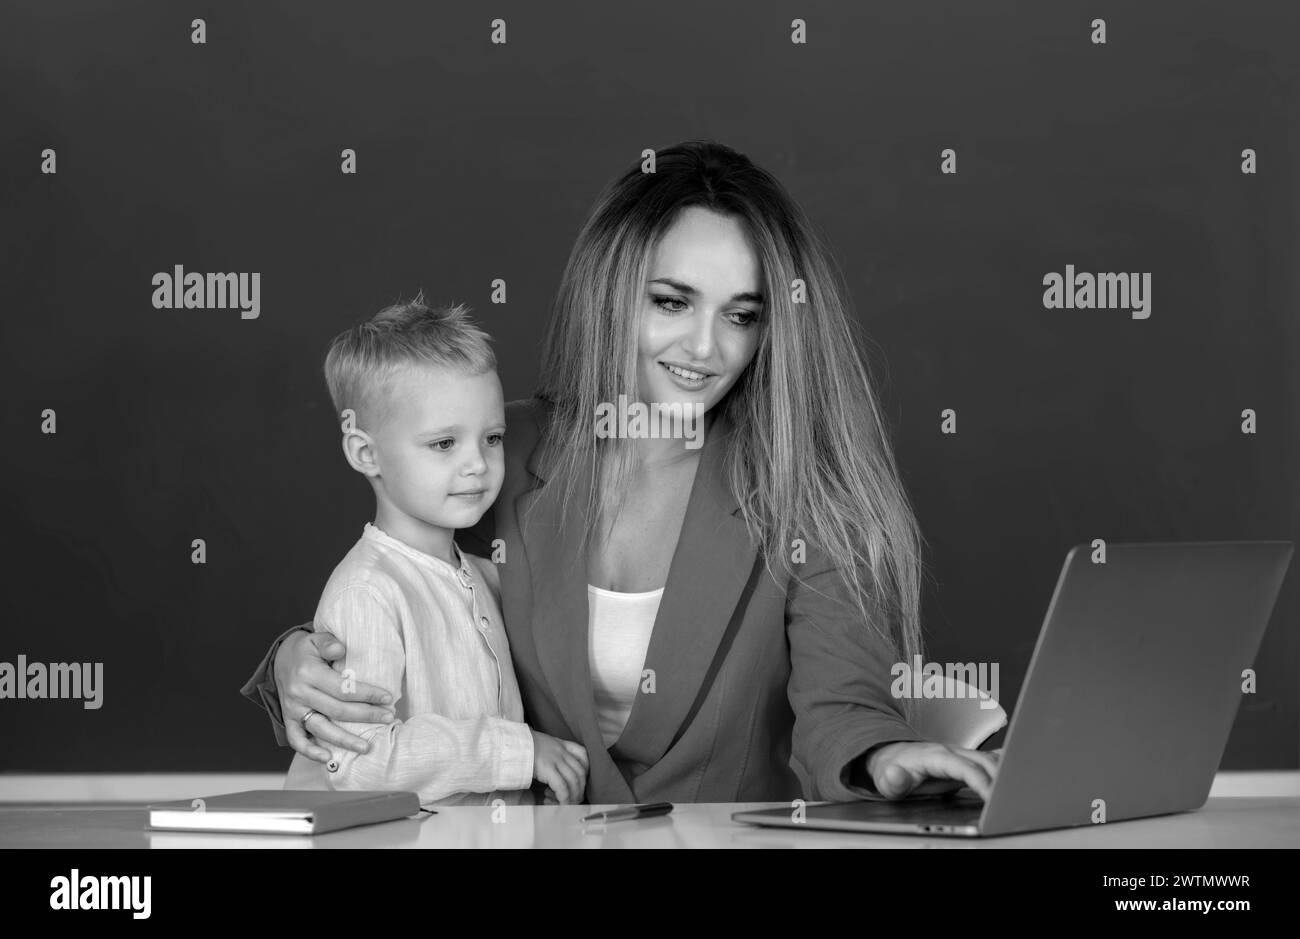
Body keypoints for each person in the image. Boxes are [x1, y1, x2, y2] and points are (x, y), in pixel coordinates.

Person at [243, 141, 1001, 804]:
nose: (706, 347)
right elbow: (401, 577)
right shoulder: (499, 452)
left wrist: (882, 756)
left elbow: (844, 704)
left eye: (742, 315)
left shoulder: (804, 488)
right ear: (612, 292)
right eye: (672, 301)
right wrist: (294, 658)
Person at [279, 296, 588, 805]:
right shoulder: (367, 592)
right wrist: (519, 752)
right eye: (444, 444)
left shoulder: (478, 573)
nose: (478, 465)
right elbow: (361, 760)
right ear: (365, 453)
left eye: (492, 438)